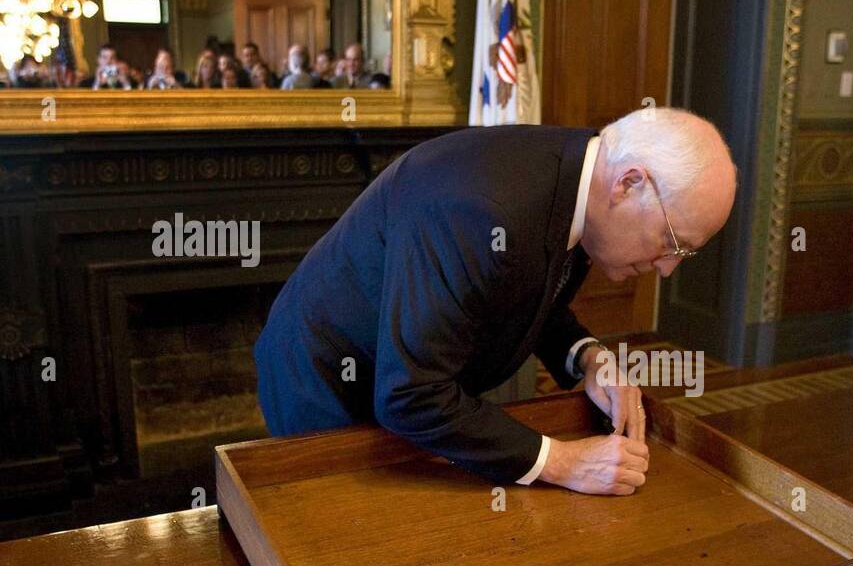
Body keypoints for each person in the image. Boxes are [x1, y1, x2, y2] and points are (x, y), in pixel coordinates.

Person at [255, 108, 737, 495]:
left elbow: (525, 289)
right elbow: (409, 395)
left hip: (401, 377)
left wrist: (591, 360)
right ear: (628, 184)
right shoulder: (483, 213)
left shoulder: (578, 177)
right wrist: (564, 462)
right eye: (672, 241)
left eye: (685, 253)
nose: (668, 267)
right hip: (326, 382)